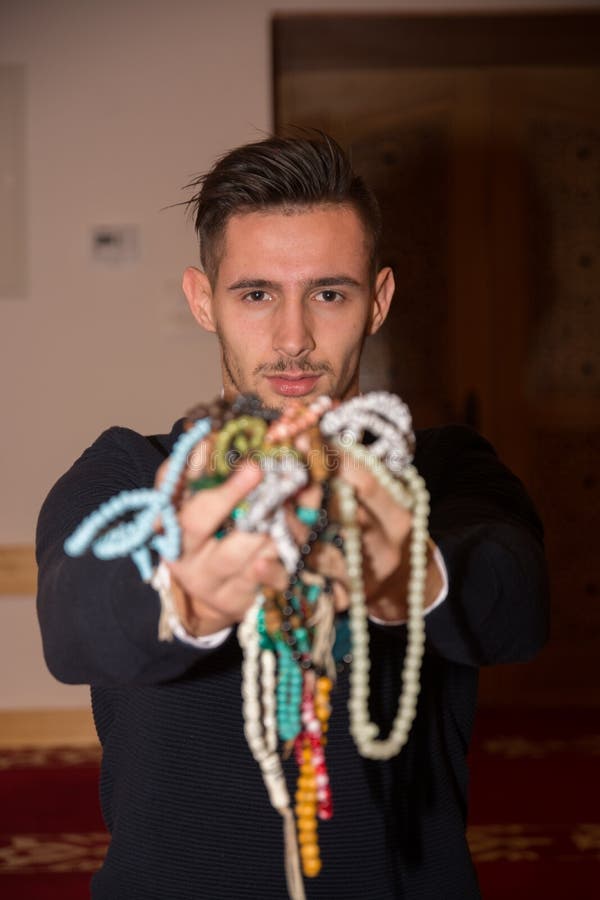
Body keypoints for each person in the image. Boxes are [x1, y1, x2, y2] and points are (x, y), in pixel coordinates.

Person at [36, 134, 549, 899]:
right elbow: (74, 627)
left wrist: (410, 573)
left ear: (377, 301)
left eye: (329, 294)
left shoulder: (442, 470)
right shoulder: (129, 472)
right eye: (257, 294)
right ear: (203, 300)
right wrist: (185, 600)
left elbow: (517, 604)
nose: (293, 338)